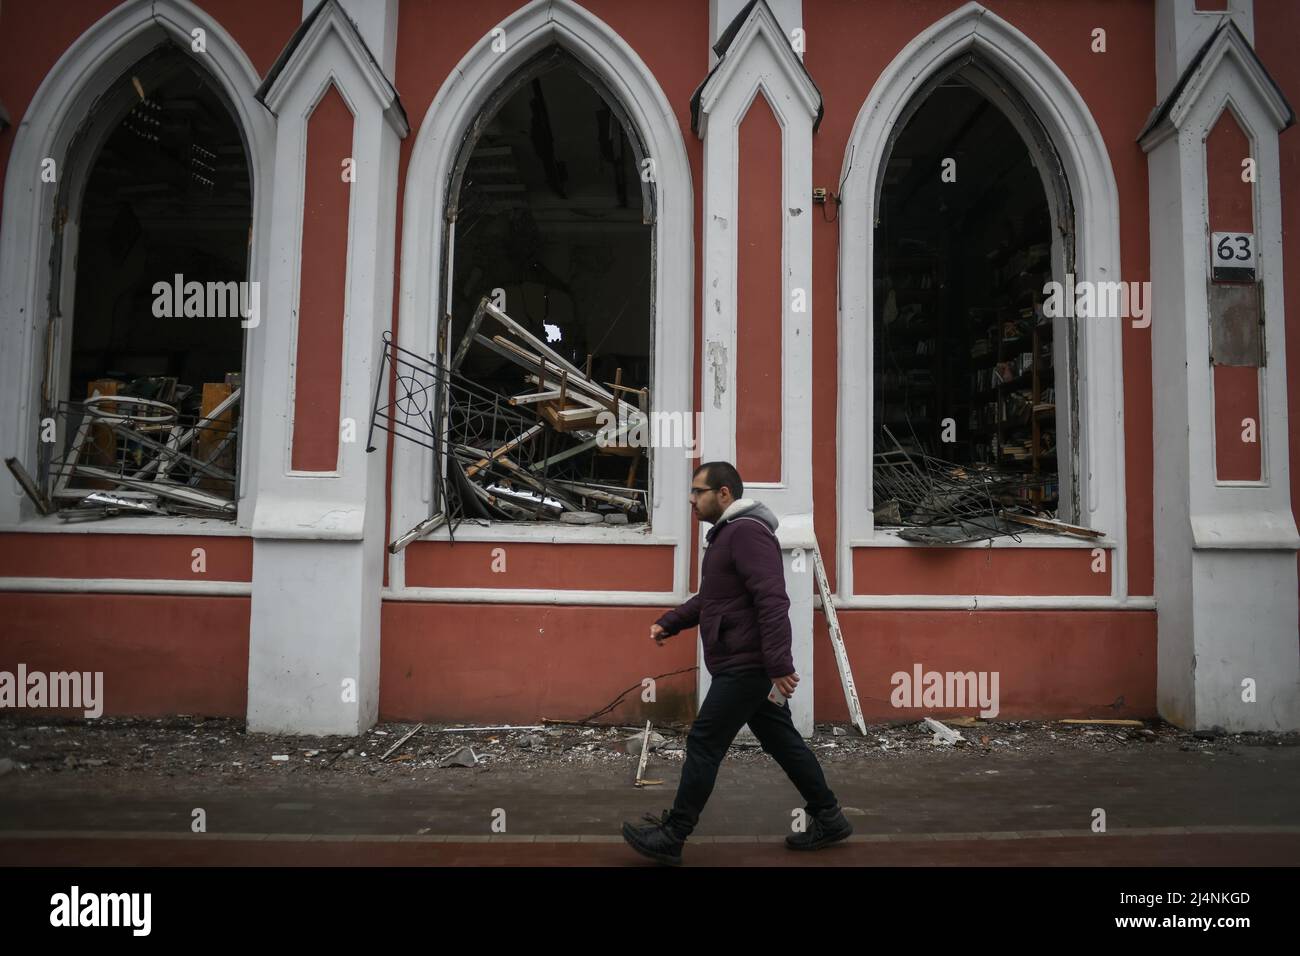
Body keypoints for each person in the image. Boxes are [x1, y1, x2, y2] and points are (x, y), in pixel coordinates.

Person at [621, 461, 852, 865]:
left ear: (724, 493)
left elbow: (773, 598)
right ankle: (829, 816)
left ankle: (673, 835)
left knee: (704, 742)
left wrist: (779, 664)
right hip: (745, 661)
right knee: (781, 740)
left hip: (747, 665)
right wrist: (669, 623)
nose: (692, 500)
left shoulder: (745, 534)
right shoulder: (728, 536)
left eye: (698, 491)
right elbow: (712, 599)